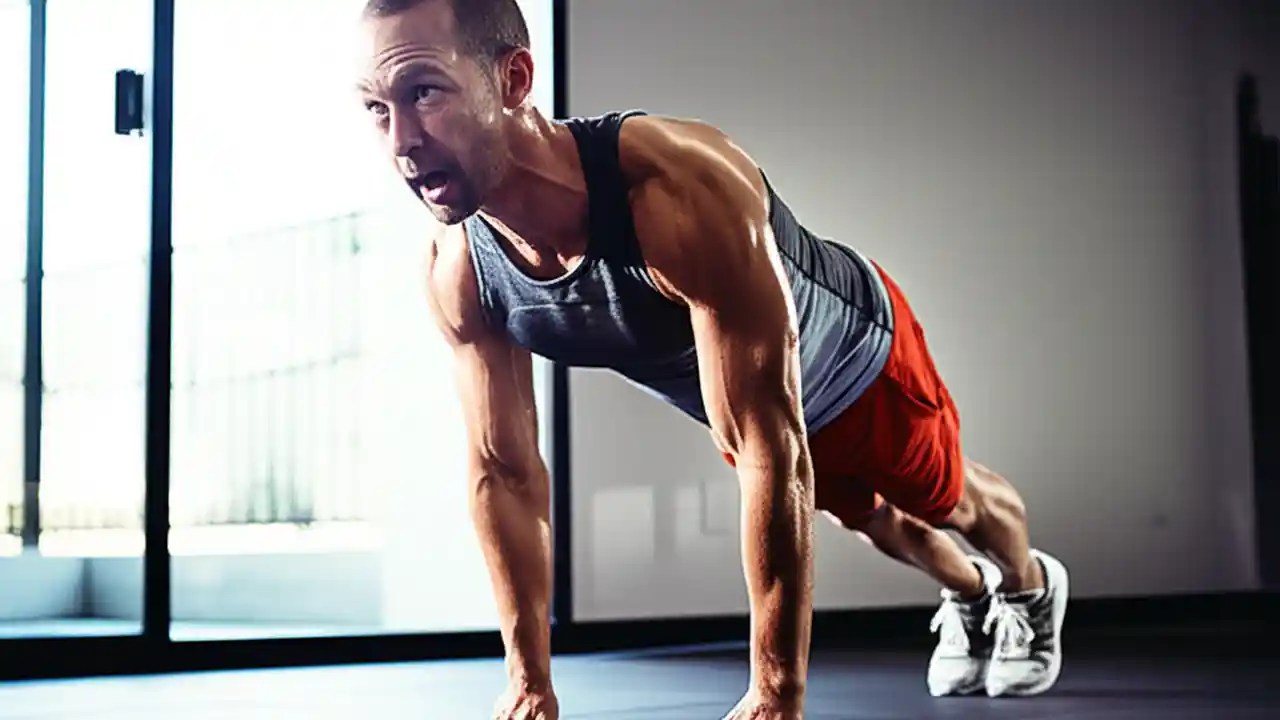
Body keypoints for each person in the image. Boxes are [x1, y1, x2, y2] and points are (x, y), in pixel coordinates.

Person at [355, 1, 1069, 718]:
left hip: (856, 358)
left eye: (424, 92)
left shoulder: (676, 188)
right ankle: (972, 595)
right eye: (377, 109)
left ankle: (1028, 582)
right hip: (753, 405)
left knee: (948, 502)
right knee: (878, 523)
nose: (403, 142)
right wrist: (528, 683)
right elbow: (504, 473)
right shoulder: (461, 269)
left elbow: (770, 450)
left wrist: (774, 693)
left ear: (513, 79)